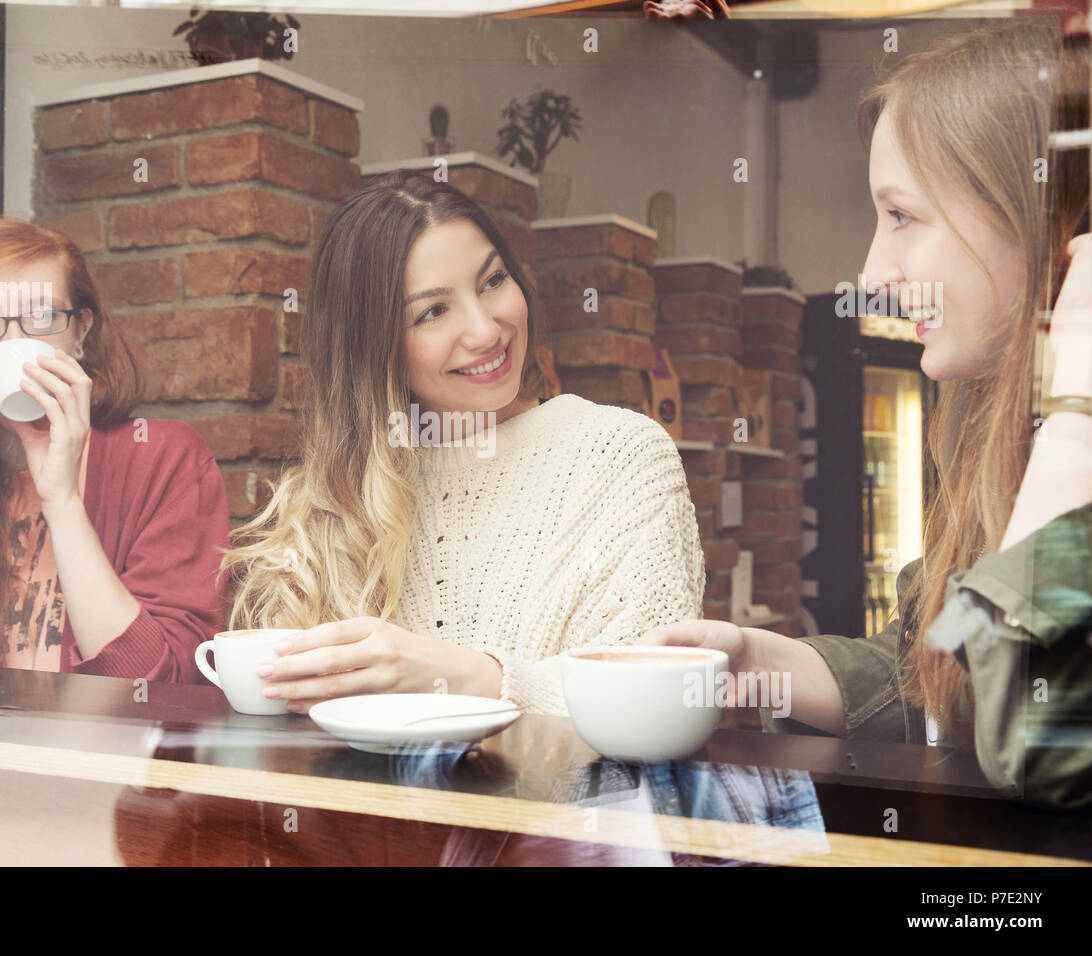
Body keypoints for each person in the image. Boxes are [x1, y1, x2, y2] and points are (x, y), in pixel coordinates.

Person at [643, 19, 1092, 808]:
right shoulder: (990, 419)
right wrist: (760, 662)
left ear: (1039, 217)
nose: (872, 272)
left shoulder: (1071, 430)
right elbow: (938, 665)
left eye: (903, 216)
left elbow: (1042, 742)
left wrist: (1080, 403)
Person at [220, 173, 705, 715]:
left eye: (493, 281)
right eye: (432, 312)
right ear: (373, 348)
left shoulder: (622, 455)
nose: (485, 331)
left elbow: (658, 702)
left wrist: (466, 677)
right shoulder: (335, 501)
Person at [0, 217, 229, 680]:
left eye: (42, 316)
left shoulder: (163, 460)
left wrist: (62, 500)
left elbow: (156, 686)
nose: (13, 344)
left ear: (80, 334)